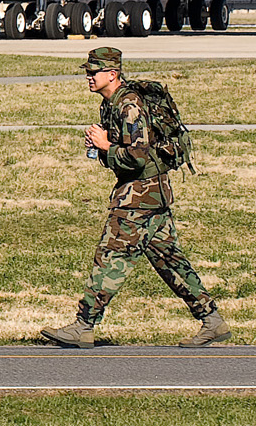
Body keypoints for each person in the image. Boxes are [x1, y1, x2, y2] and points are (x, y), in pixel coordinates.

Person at [41, 46, 229, 349]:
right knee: (170, 261)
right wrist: (102, 148)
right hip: (150, 194)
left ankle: (83, 325)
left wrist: (106, 146)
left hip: (139, 197)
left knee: (110, 256)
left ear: (112, 74)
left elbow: (137, 157)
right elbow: (123, 156)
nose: (89, 77)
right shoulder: (110, 105)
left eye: (94, 72)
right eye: (88, 72)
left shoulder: (129, 106)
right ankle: (212, 321)